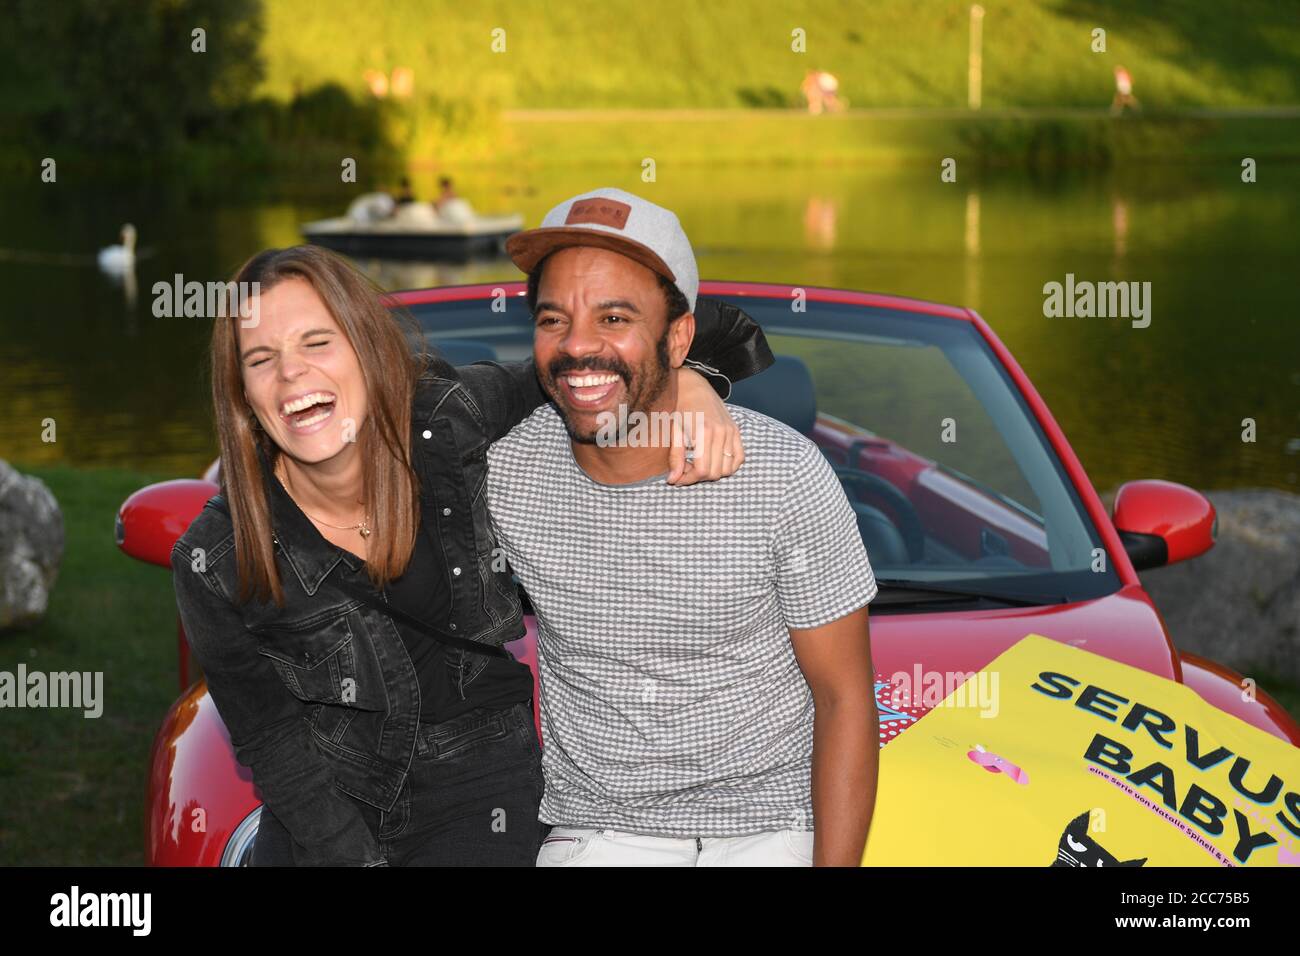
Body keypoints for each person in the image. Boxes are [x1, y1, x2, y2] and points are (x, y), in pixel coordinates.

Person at [169, 243, 772, 865]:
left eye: (317, 342)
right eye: (261, 359)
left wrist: (691, 378)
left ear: (368, 350)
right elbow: (270, 740)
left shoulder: (444, 416)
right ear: (242, 394)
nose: (292, 374)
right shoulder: (216, 560)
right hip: (324, 799)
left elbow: (596, 366)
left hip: (479, 780)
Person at [488, 187, 880, 866]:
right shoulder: (505, 469)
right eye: (555, 319)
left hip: (770, 827)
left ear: (678, 336)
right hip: (599, 832)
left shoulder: (781, 476)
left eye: (614, 317)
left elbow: (844, 697)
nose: (579, 344)